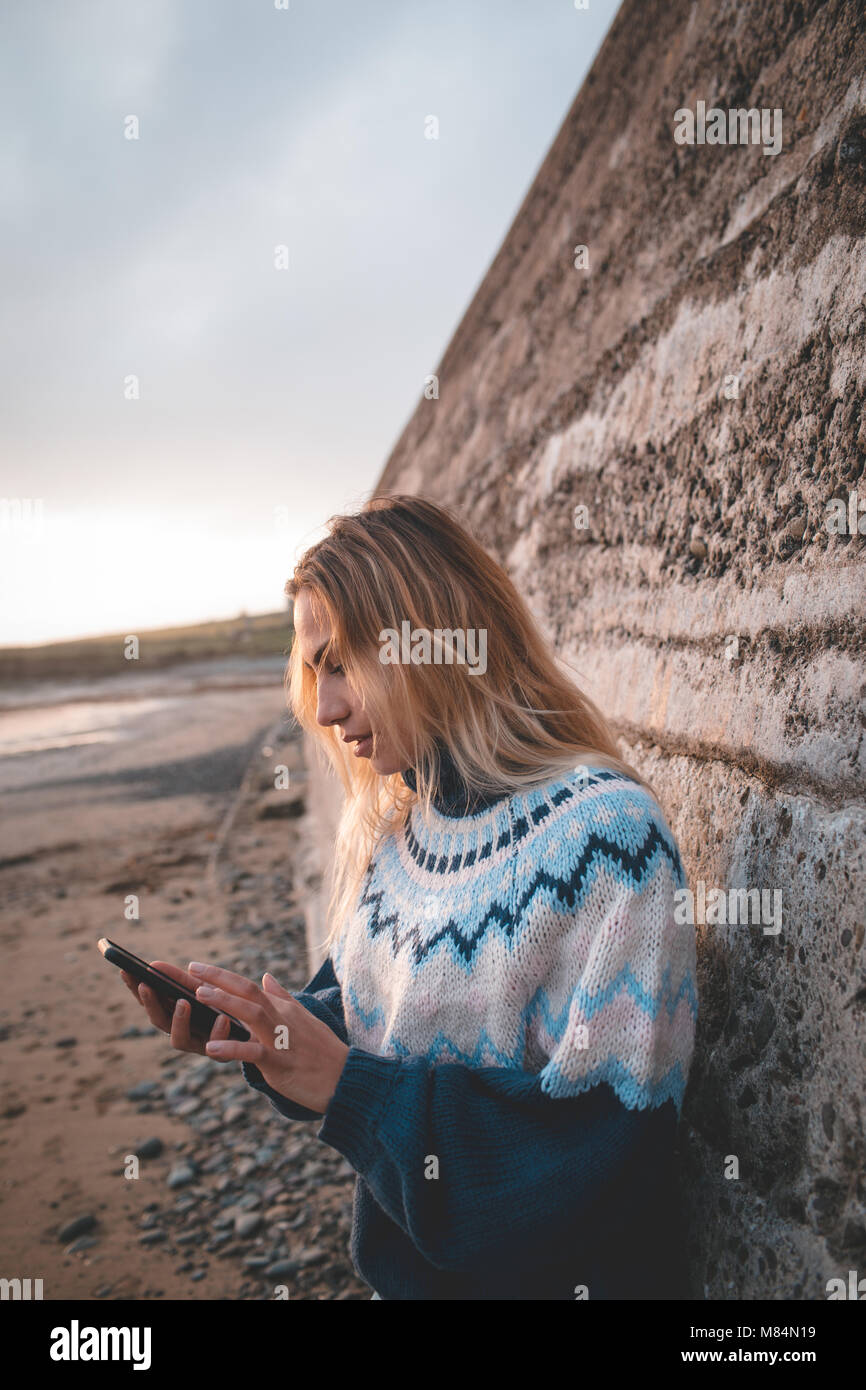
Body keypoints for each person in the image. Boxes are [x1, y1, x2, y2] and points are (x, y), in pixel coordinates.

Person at [122, 493, 698, 1301]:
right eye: (311, 673)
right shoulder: (401, 835)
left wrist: (345, 1087)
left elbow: (596, 1159)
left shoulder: (607, 839)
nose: (324, 710)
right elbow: (358, 1029)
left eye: (340, 662)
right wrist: (262, 1033)